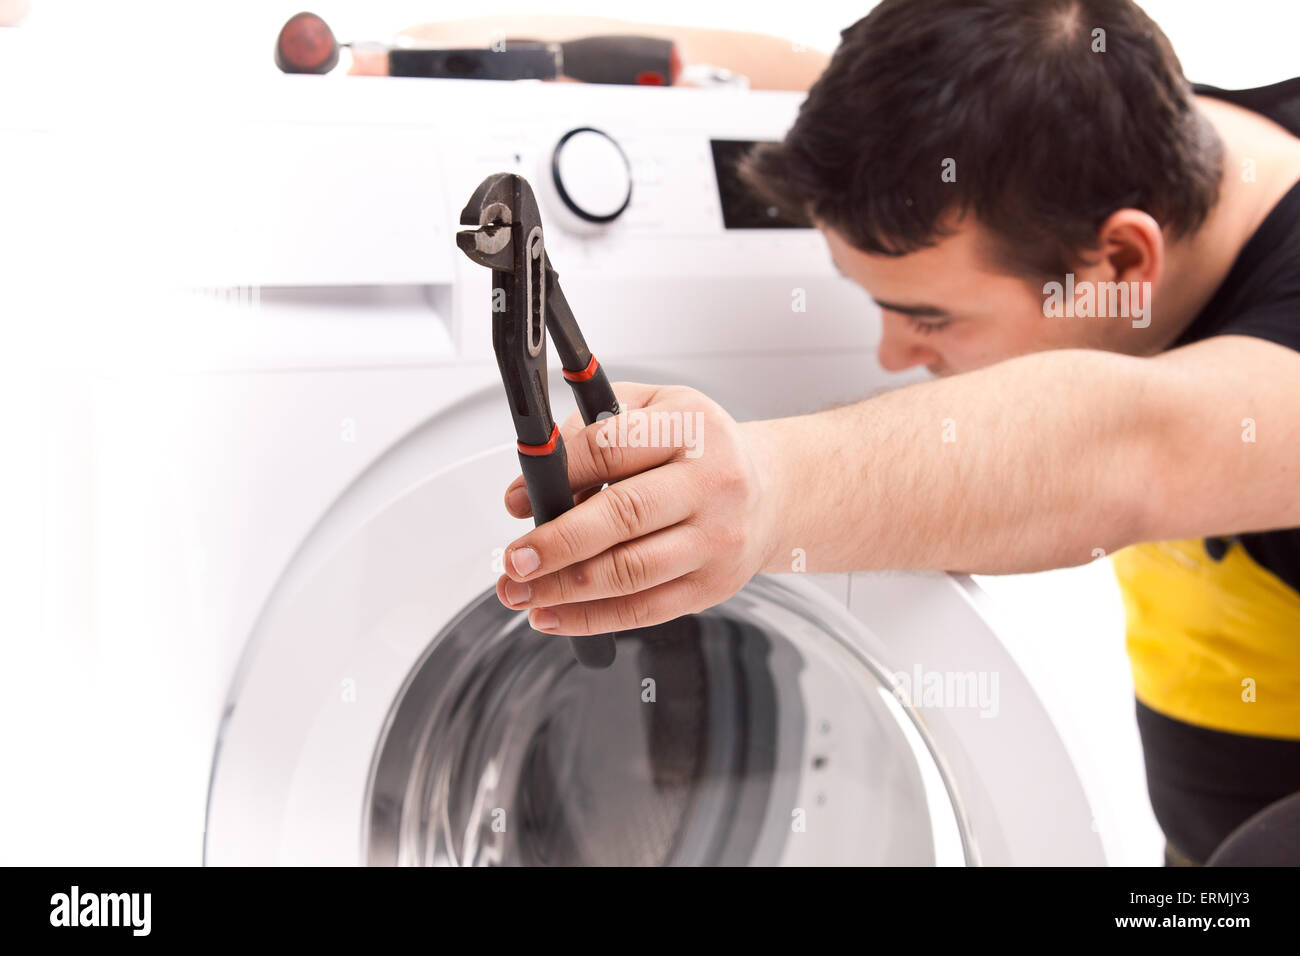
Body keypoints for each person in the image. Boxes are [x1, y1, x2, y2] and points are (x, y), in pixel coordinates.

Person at [487, 0, 1300, 866]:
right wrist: (482, 51)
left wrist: (768, 488)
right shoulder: (1101, 122)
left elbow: (1132, 447)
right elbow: (780, 66)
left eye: (929, 315)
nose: (893, 351)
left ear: (1125, 264)